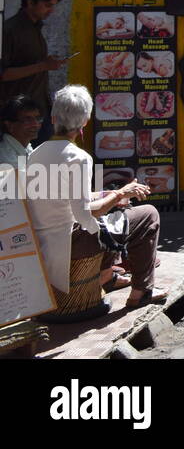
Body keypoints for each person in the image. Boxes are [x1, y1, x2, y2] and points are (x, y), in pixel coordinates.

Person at [27, 86, 165, 310]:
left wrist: (111, 195)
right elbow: (86, 213)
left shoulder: (36, 153)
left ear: (53, 117)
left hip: (45, 242)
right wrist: (120, 194)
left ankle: (106, 276)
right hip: (72, 243)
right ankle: (142, 291)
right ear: (86, 122)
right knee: (148, 214)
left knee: (114, 209)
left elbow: (63, 198)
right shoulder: (79, 157)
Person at [1, 0, 68, 145]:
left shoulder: (35, 27)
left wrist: (45, 63)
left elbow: (30, 62)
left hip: (40, 109)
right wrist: (42, 66)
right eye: (47, 5)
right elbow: (3, 74)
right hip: (19, 117)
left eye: (53, 6)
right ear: (30, 2)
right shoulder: (10, 31)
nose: (51, 11)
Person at [0, 94, 40, 171]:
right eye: (27, 119)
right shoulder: (5, 158)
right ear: (9, 125)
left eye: (37, 118)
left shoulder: (25, 146)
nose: (36, 124)